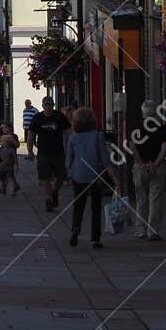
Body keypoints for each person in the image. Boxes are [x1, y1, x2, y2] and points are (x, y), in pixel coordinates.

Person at [65, 106, 112, 248]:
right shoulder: (98, 136)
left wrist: (69, 174)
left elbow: (69, 159)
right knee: (96, 207)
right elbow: (105, 158)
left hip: (78, 174)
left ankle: (75, 229)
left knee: (78, 205)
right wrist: (113, 175)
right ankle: (95, 238)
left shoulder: (73, 138)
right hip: (95, 175)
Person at [127, 100, 166, 242]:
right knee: (155, 199)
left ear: (142, 112)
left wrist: (142, 164)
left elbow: (133, 148)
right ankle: (153, 231)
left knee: (141, 199)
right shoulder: (162, 128)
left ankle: (141, 230)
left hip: (140, 167)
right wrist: (155, 164)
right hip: (158, 167)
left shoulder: (135, 128)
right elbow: (164, 149)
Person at [30, 97, 71, 210]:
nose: (48, 107)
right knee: (45, 178)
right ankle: (48, 200)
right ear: (42, 106)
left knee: (61, 176)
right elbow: (31, 134)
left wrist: (74, 145)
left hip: (58, 152)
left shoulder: (59, 116)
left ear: (53, 105)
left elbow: (69, 131)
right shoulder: (38, 117)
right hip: (43, 152)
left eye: (50, 104)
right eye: (46, 105)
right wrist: (30, 151)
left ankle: (54, 191)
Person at [0, 124, 20, 196]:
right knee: (5, 175)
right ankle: (11, 186)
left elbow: (17, 145)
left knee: (9, 174)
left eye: (4, 128)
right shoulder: (2, 136)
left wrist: (12, 140)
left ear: (9, 128)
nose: (3, 129)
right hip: (3, 158)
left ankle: (10, 188)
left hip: (10, 158)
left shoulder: (13, 136)